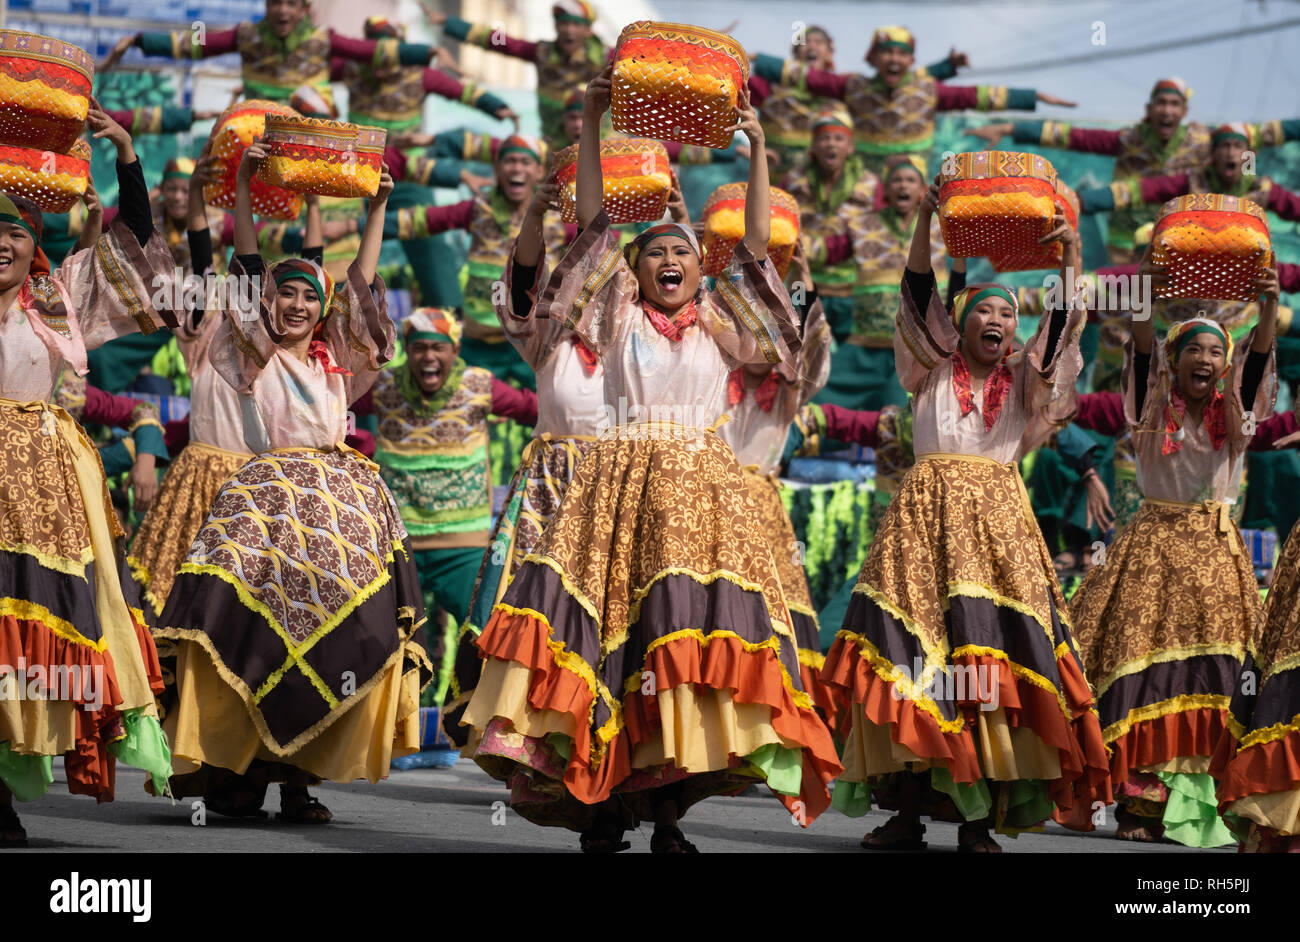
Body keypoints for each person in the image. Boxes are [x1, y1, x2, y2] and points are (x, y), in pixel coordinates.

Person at [461, 63, 840, 853]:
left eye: (685, 252)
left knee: (683, 661)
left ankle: (667, 817)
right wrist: (594, 123)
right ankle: (599, 814)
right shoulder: (615, 314)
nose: (670, 259)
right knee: (609, 649)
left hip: (700, 504)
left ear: (705, 268)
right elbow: (595, 227)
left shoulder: (723, 327)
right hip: (613, 493)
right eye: (655, 252)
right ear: (631, 275)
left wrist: (759, 153)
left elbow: (761, 256)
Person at [822, 176, 1109, 853]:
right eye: (984, 312)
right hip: (920, 527)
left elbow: (1065, 329)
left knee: (990, 666)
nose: (996, 322)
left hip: (998, 534)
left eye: (1007, 316)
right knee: (916, 662)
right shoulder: (925, 367)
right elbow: (917, 292)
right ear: (960, 325)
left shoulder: (1030, 384)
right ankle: (907, 813)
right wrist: (924, 220)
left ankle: (980, 821)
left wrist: (1070, 260)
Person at [150, 139, 429, 823]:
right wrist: (244, 187)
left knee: (332, 640)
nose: (297, 304)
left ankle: (300, 778)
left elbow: (361, 288)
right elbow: (244, 268)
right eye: (286, 293)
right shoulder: (252, 352)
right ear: (265, 303)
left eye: (310, 296)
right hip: (266, 512)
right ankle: (237, 773)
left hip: (333, 515)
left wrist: (377, 211)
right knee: (252, 640)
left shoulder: (339, 363)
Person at [0, 109, 175, 846]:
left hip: (42, 494)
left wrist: (128, 157)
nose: (0, 245)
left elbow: (137, 254)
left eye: (13, 233)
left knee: (25, 641)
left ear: (35, 248)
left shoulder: (60, 300)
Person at [1069, 252, 1277, 845]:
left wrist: (1267, 304)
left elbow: (1259, 360)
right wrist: (1143, 289)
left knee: (1218, 677)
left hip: (1215, 557)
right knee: (1144, 675)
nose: (1205, 359)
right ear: (1174, 360)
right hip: (1152, 551)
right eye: (1193, 350)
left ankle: (1205, 798)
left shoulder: (1237, 416)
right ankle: (1138, 804)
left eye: (1216, 352)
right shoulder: (1150, 406)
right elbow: (1139, 345)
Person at [442, 178, 606, 744]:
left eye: (604, 283)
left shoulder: (641, 336)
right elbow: (521, 285)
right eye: (576, 282)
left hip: (613, 483)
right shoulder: (545, 338)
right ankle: (516, 725)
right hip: (547, 485)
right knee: (527, 600)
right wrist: (535, 212)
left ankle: (592, 730)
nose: (589, 291)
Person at [351, 308, 538, 701]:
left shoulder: (478, 385)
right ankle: (385, 729)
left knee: (487, 634)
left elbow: (530, 408)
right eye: (419, 348)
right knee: (378, 637)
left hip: (463, 548)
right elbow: (336, 405)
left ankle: (490, 725)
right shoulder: (384, 386)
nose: (428, 357)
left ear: (454, 350)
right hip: (400, 548)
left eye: (438, 347)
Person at [969, 80, 1299, 263]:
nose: (1167, 111)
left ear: (1184, 111)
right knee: (1127, 307)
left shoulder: (1206, 145)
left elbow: (1269, 132)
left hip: (1177, 241)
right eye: (1161, 104)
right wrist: (1013, 127)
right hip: (1126, 241)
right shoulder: (1132, 141)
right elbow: (1077, 138)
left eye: (1174, 105)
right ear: (1149, 110)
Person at [717, 244, 840, 732]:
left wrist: (804, 279)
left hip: (764, 509)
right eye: (748, 332)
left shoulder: (791, 387)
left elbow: (811, 341)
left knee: (773, 613)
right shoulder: (714, 378)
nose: (758, 344)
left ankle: (778, 722)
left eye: (768, 336)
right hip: (714, 497)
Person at [751, 26, 1073, 174]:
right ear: (873, 58)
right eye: (886, 52)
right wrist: (753, 58)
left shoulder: (926, 89)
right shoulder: (855, 86)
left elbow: (974, 96)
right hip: (864, 185)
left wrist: (1032, 97)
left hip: (914, 179)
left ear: (910, 61)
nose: (893, 59)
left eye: (901, 54)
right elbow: (809, 78)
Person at [102, 0, 457, 114]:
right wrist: (139, 39)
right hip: (257, 132)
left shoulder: (324, 40)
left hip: (311, 139)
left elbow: (374, 51)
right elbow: (196, 42)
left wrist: (427, 51)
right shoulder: (247, 35)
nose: (282, 11)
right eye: (275, 2)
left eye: (291, 3)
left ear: (304, 9)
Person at [813, 155, 945, 410]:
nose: (902, 185)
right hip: (865, 350)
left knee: (900, 418)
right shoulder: (863, 226)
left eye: (910, 179)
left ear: (922, 188)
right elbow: (826, 251)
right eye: (896, 180)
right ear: (886, 189)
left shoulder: (943, 226)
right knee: (812, 400)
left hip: (918, 352)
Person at [429, 0, 608, 145]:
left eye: (576, 24)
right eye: (564, 23)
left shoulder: (608, 58)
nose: (569, 30)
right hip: (555, 144)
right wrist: (452, 24)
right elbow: (501, 42)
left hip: (603, 142)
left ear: (588, 30)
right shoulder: (542, 52)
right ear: (555, 26)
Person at [333, 15, 518, 134]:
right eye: (374, 55)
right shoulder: (352, 68)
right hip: (360, 160)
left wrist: (496, 106)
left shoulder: (419, 74)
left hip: (407, 163)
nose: (381, 61)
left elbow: (462, 91)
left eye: (388, 56)